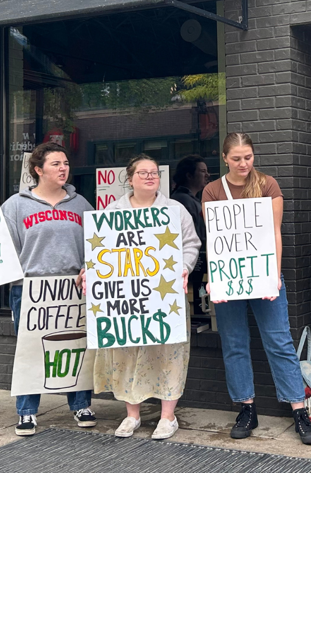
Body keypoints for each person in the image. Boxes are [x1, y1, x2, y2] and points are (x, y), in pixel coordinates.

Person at [200, 131, 311, 445]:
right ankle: (246, 408)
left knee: (279, 341)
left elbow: (275, 233)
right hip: (229, 276)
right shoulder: (212, 191)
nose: (243, 164)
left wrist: (274, 273)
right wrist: (215, 273)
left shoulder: (268, 184)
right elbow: (216, 240)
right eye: (237, 158)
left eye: (248, 157)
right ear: (224, 158)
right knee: (235, 343)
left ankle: (299, 410)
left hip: (264, 275)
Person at [0, 140, 96, 436]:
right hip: (31, 289)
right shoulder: (16, 205)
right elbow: (2, 250)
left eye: (66, 163)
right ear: (38, 170)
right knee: (31, 350)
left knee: (76, 346)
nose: (63, 169)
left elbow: (95, 246)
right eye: (56, 164)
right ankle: (27, 412)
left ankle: (81, 404)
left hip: (74, 288)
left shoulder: (81, 204)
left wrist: (89, 268)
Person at [94, 155, 202, 440]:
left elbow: (192, 244)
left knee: (169, 353)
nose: (150, 177)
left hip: (167, 297)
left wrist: (184, 267)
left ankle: (168, 417)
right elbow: (99, 250)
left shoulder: (175, 210)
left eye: (154, 172)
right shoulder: (113, 211)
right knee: (128, 351)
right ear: (130, 179)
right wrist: (89, 271)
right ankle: (132, 415)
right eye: (143, 173)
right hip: (128, 299)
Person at [171, 154, 211, 303]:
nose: (207, 175)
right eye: (202, 171)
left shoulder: (191, 200)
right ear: (189, 175)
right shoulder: (182, 201)